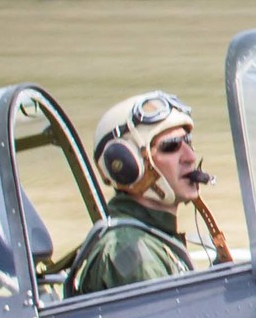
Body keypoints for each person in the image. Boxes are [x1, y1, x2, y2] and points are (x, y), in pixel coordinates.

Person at [63, 93, 233, 297]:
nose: (190, 157)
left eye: (188, 141)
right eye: (171, 146)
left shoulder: (154, 239)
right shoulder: (131, 251)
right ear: (129, 165)